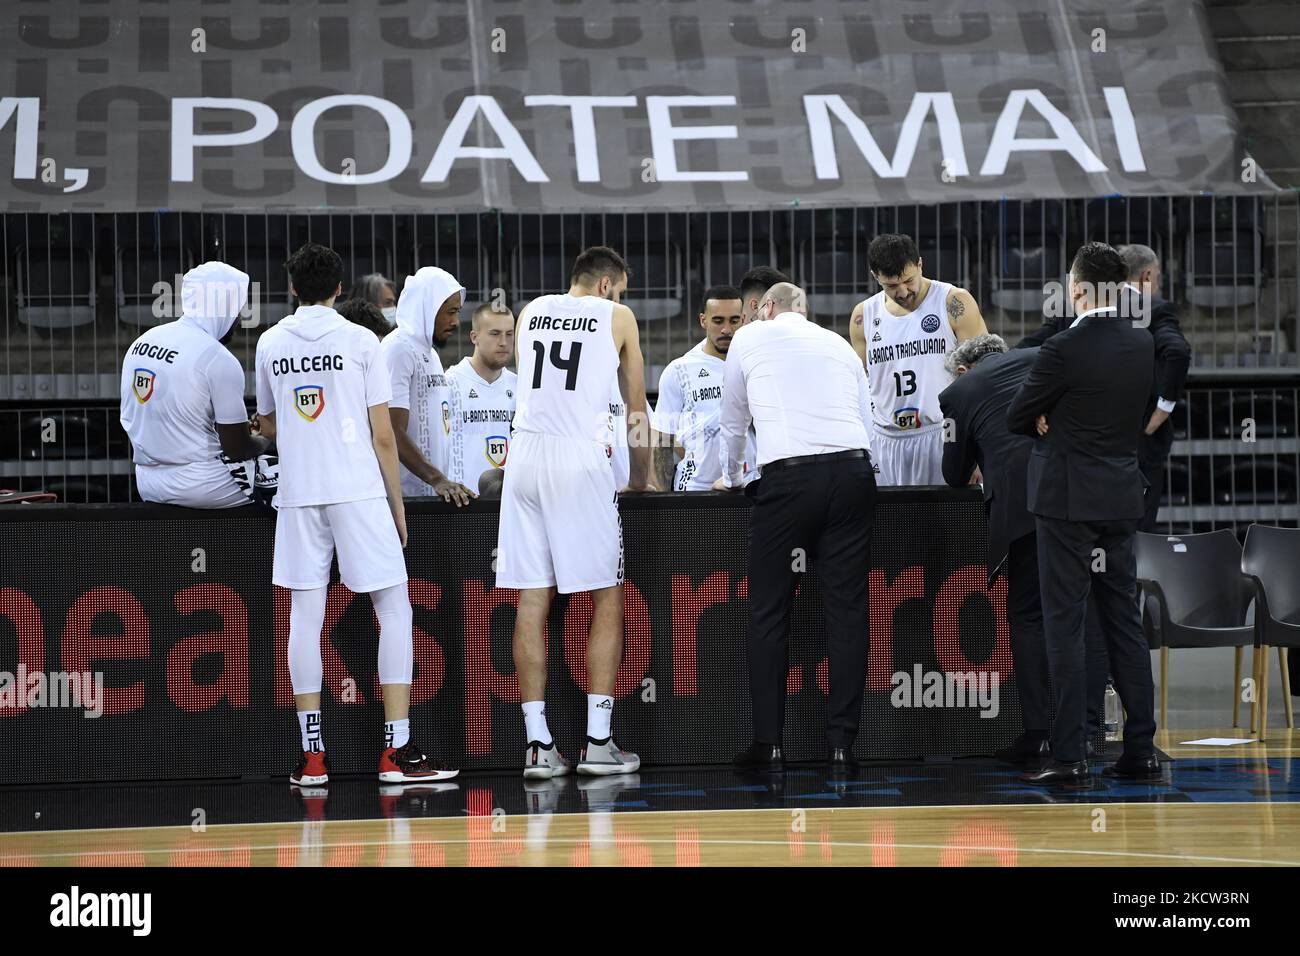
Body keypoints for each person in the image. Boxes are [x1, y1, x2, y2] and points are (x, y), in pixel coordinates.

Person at [255, 241, 457, 786]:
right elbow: (383, 436)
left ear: (293, 287)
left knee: (305, 619)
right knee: (394, 612)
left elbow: (270, 425)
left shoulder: (270, 343)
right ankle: (396, 753)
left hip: (299, 495)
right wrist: (397, 506)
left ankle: (313, 758)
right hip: (359, 490)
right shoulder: (363, 340)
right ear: (340, 288)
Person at [1006, 241, 1159, 789]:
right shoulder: (1143, 345)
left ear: (1076, 289)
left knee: (1065, 625)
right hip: (1121, 497)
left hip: (1066, 502)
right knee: (1123, 620)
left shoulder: (1063, 348)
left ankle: (1070, 757)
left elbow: (1018, 414)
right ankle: (1141, 749)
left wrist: (1049, 417)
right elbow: (1136, 416)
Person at [497, 245, 652, 779]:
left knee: (533, 597)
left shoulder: (532, 311)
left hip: (524, 459)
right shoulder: (617, 316)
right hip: (578, 460)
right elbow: (635, 408)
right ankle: (599, 742)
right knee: (607, 594)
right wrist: (640, 476)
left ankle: (538, 746)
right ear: (608, 284)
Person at [719, 282, 877, 773]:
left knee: (768, 612)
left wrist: (730, 474)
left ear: (764, 308)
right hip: (853, 473)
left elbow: (732, 420)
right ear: (804, 311)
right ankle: (842, 747)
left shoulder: (749, 338)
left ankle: (769, 746)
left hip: (788, 479)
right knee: (848, 611)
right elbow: (867, 424)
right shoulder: (836, 343)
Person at [938, 334, 1050, 766]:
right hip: (1081, 500)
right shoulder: (1041, 358)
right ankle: (1089, 730)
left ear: (964, 369)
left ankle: (1038, 732)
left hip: (1022, 512)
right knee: (1080, 613)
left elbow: (953, 474)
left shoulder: (960, 391)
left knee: (1027, 618)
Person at [120, 261, 268, 507]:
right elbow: (237, 448)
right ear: (224, 305)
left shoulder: (142, 341)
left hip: (146, 480)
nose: (240, 319)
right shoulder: (218, 358)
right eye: (237, 309)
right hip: (201, 484)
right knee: (293, 479)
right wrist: (266, 438)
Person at [850, 234, 988, 486]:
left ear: (920, 264)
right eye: (891, 286)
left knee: (950, 524)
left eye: (908, 280)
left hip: (944, 434)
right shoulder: (863, 316)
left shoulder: (954, 302)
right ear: (875, 277)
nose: (902, 291)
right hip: (885, 440)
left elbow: (983, 377)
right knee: (891, 526)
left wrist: (978, 451)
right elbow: (858, 389)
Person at [380, 267, 476, 506]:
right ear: (427, 309)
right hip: (403, 499)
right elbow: (391, 429)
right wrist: (437, 478)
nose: (456, 322)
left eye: (458, 312)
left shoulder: (429, 353)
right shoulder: (399, 349)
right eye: (450, 312)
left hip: (431, 493)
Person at [652, 285, 743, 490]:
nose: (726, 329)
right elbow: (661, 442)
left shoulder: (754, 365)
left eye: (734, 320)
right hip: (695, 489)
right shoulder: (679, 370)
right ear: (703, 320)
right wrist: (662, 503)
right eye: (718, 321)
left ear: (744, 319)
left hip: (747, 486)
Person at [447, 303, 517, 495]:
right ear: (474, 337)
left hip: (507, 504)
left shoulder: (520, 387)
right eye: (495, 333)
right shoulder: (450, 383)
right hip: (462, 505)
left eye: (509, 334)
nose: (503, 342)